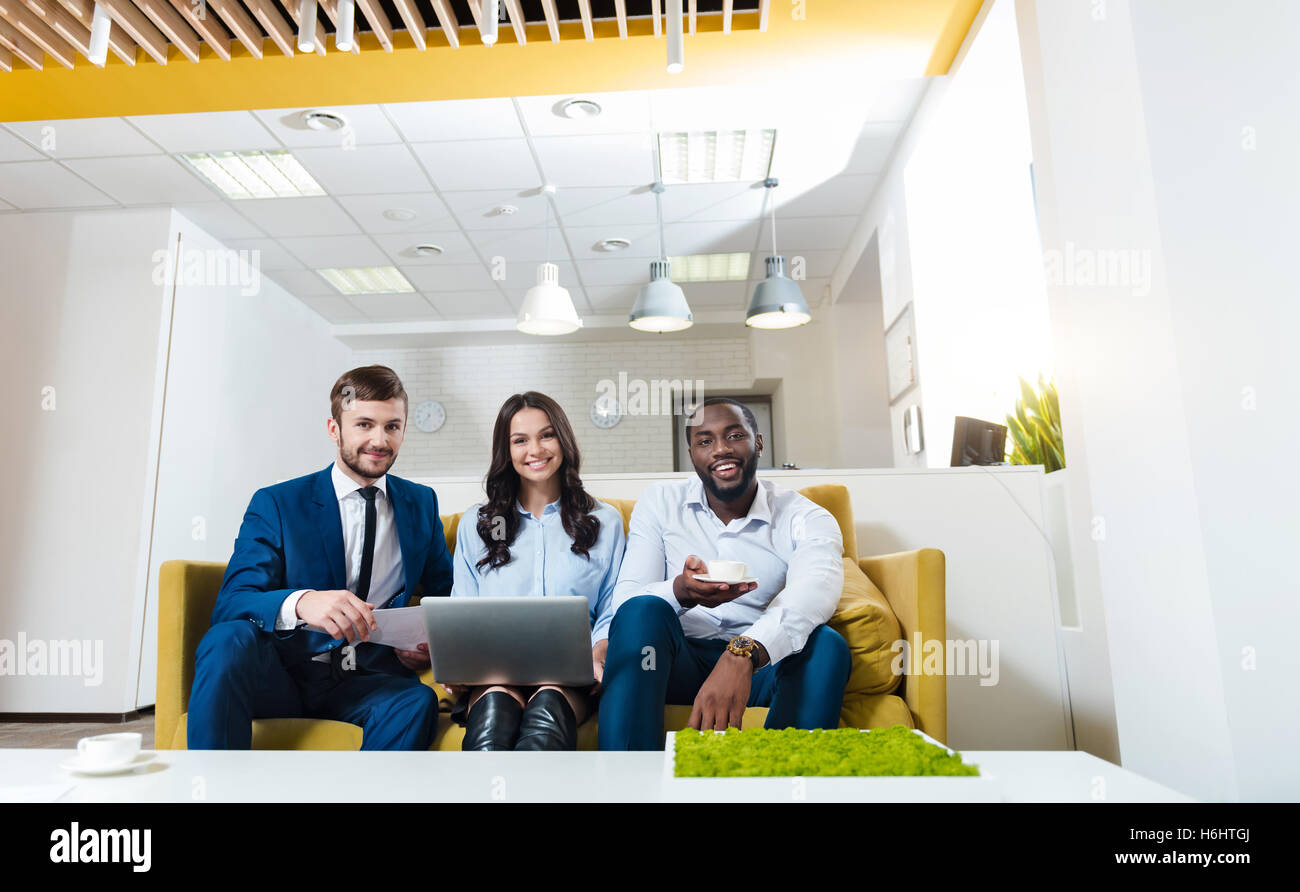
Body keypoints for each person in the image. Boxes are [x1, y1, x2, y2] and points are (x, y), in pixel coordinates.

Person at [187, 365, 453, 750]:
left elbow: (445, 596)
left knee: (416, 701)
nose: (379, 439)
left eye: (392, 426)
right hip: (283, 673)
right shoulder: (278, 503)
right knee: (229, 638)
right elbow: (232, 603)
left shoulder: (421, 503)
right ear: (334, 429)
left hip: (365, 679)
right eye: (364, 424)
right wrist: (302, 602)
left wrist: (425, 644)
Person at [597, 397, 852, 750]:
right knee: (642, 611)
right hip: (673, 663)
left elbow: (814, 593)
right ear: (692, 454)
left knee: (827, 645)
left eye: (734, 436)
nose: (720, 450)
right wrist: (682, 592)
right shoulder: (659, 503)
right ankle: (628, 782)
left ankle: (787, 785)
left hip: (759, 668)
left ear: (758, 442)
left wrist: (742, 653)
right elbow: (627, 603)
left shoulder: (806, 517)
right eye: (705, 441)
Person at [451, 392, 625, 751]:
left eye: (547, 435)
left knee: (547, 712)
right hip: (494, 674)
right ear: (506, 450)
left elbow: (612, 609)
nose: (535, 449)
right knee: (494, 716)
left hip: (568, 676)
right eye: (520, 440)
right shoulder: (477, 524)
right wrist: (458, 664)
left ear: (563, 439)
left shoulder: (605, 522)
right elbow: (462, 608)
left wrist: (597, 656)